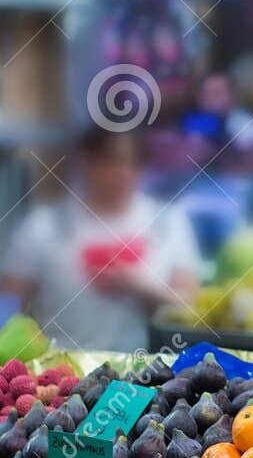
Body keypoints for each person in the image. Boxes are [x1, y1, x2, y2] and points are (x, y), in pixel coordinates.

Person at [0, 126, 200, 352]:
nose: (123, 172)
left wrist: (141, 288)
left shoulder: (168, 222)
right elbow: (7, 307)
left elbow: (190, 307)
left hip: (145, 369)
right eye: (111, 161)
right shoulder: (45, 226)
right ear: (85, 161)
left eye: (133, 163)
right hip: (62, 367)